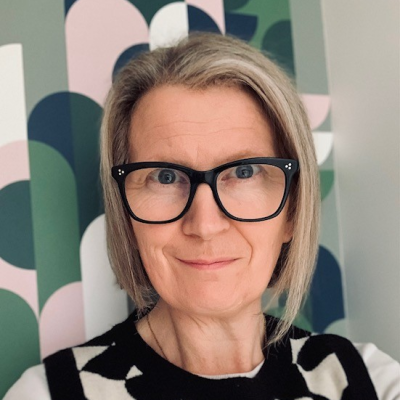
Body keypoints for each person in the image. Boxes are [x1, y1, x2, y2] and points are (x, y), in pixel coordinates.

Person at [4, 33, 399, 400]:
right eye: (165, 176)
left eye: (243, 172)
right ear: (125, 214)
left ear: (293, 210)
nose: (205, 225)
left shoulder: (368, 379)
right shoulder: (48, 394)